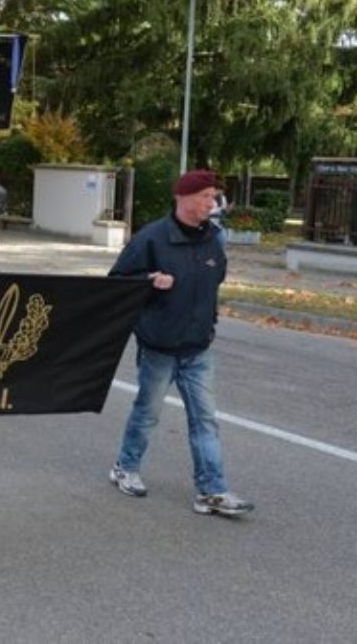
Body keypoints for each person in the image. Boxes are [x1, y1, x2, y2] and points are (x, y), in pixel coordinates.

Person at [107, 169, 254, 517]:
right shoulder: (152, 238)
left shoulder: (214, 239)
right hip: (159, 347)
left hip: (198, 348)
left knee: (205, 421)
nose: (212, 203)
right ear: (184, 198)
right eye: (205, 196)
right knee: (147, 414)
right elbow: (116, 282)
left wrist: (208, 324)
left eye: (213, 196)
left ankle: (211, 491)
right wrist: (148, 279)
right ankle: (124, 468)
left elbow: (214, 282)